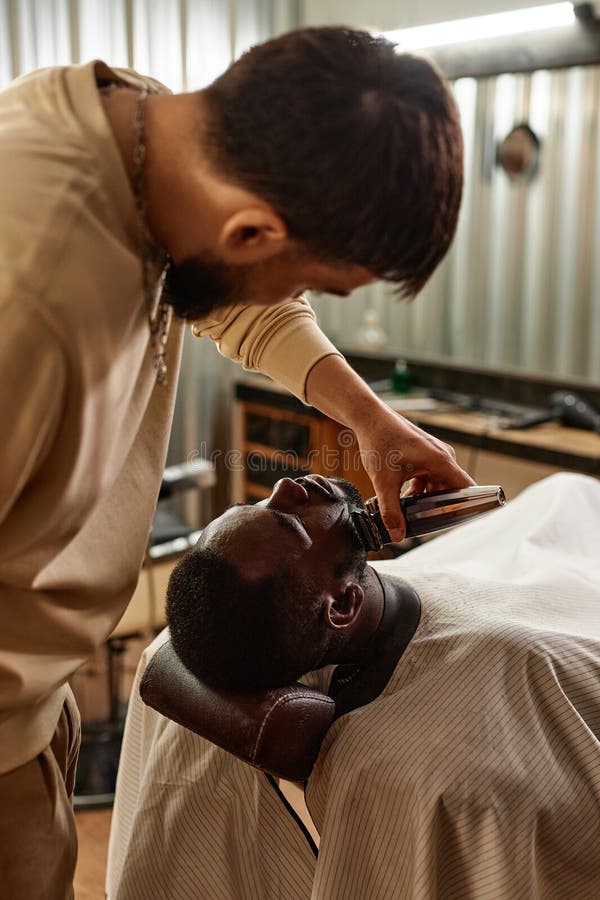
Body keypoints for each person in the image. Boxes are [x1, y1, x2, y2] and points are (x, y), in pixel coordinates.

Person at [0, 26, 473, 897]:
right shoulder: (31, 295)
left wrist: (370, 419)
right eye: (318, 284)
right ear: (253, 231)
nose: (299, 303)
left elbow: (238, 305)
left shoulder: (150, 139)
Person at [108, 472, 600, 899]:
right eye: (292, 523)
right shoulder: (514, 673)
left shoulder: (299, 613)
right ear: (343, 605)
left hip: (539, 542)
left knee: (566, 494)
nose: (283, 487)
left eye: (253, 505)